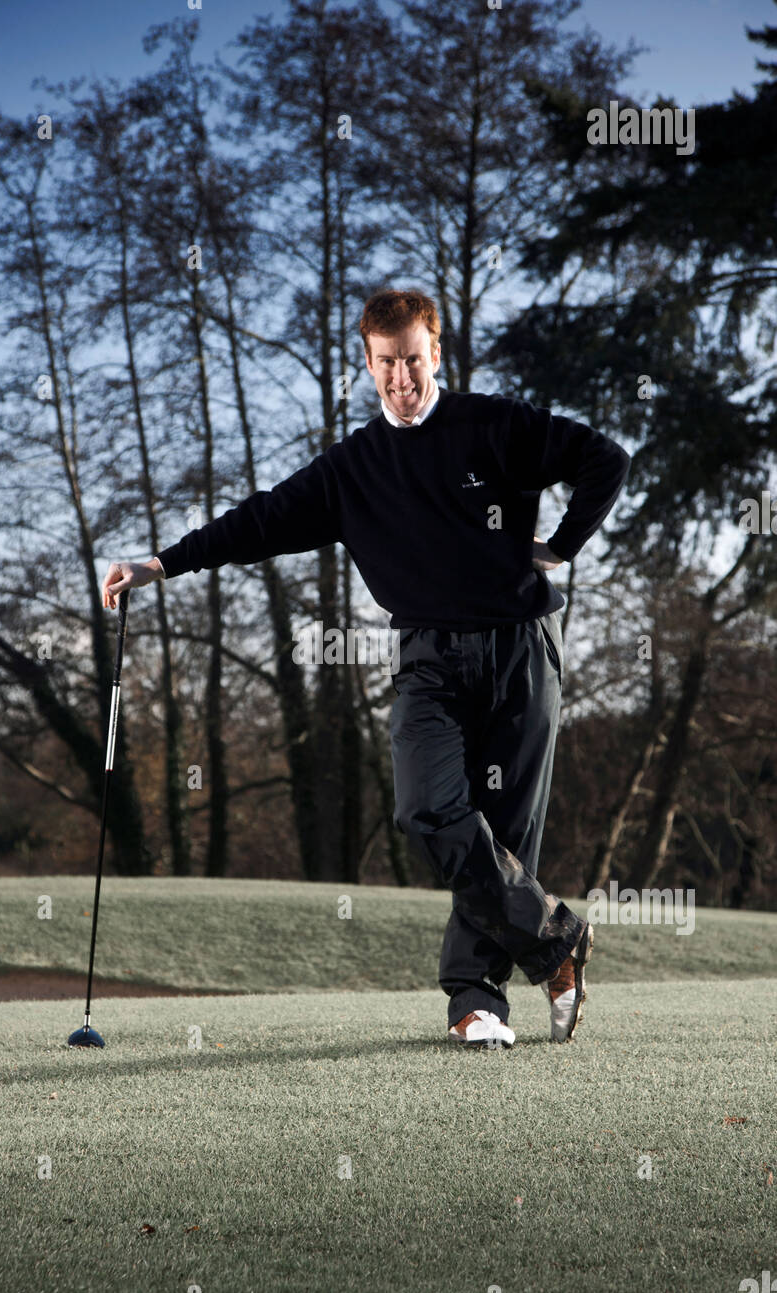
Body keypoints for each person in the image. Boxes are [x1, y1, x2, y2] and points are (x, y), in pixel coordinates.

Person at [102, 287, 630, 1050]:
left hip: (521, 648)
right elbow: (257, 521)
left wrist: (564, 545)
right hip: (427, 659)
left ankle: (476, 1004)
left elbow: (603, 460)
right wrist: (158, 564)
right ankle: (556, 944)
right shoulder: (353, 467)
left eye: (413, 360)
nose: (402, 379)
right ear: (367, 360)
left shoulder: (493, 424)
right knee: (426, 810)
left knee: (507, 833)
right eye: (386, 364)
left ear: (435, 352)